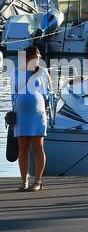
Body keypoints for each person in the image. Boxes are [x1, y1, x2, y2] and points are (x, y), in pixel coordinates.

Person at [12, 46, 50, 192]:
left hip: (37, 114)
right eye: (35, 58)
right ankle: (24, 181)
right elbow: (13, 94)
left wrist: (45, 109)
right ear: (27, 58)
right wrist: (13, 112)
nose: (38, 60)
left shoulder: (43, 72)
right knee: (23, 148)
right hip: (21, 115)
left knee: (38, 147)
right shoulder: (17, 73)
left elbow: (48, 94)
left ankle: (38, 181)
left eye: (39, 58)